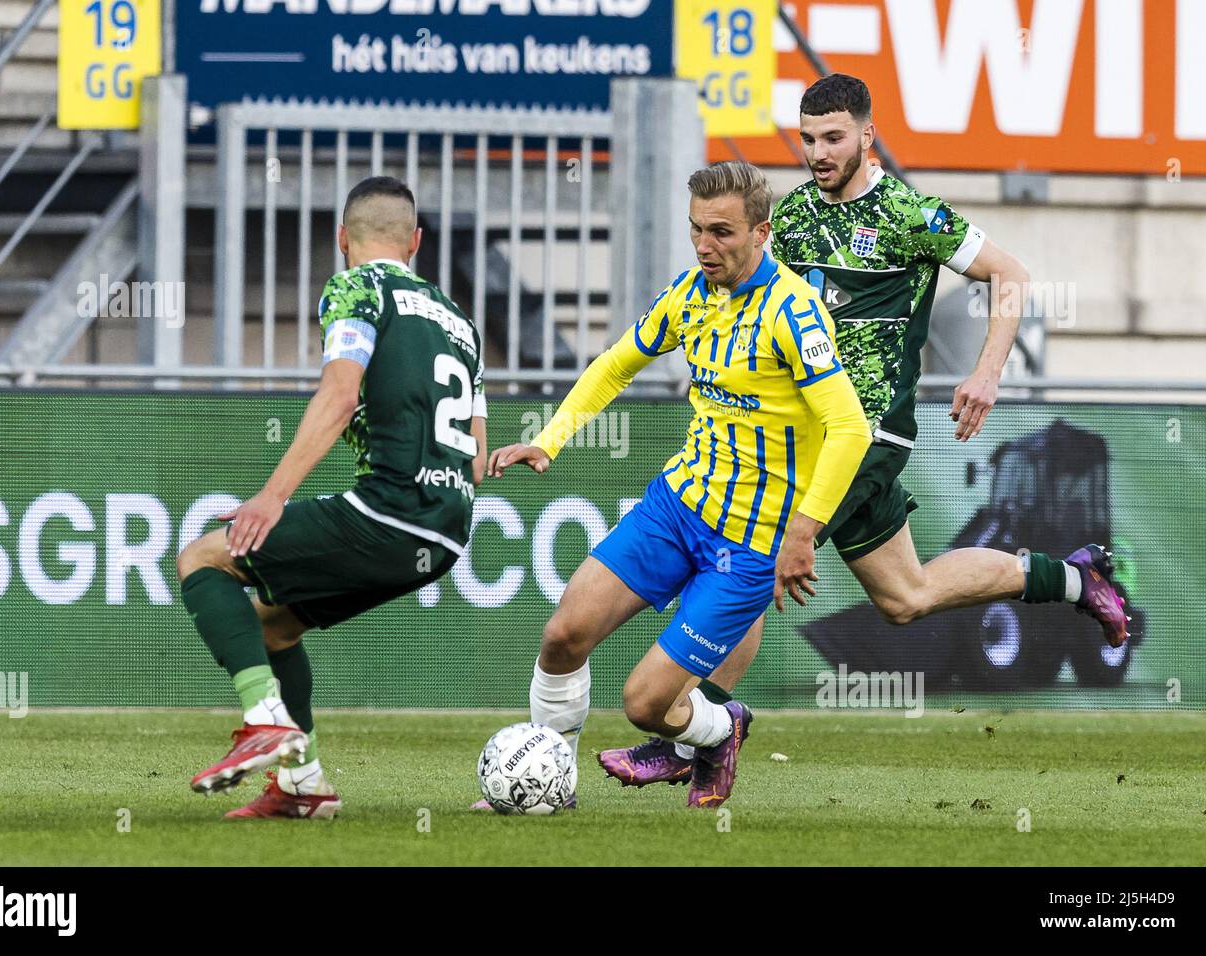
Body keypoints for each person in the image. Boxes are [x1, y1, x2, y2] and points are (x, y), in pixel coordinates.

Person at [597, 74, 1128, 789]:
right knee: (905, 597)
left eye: (833, 137)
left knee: (747, 552)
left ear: (867, 136)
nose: (818, 151)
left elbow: (1010, 274)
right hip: (798, 434)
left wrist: (986, 374)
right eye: (808, 137)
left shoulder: (909, 214)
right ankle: (1073, 577)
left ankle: (694, 737)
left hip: (865, 436)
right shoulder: (787, 219)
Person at [485, 161, 872, 808]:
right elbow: (615, 365)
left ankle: (723, 729)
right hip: (675, 507)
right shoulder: (690, 294)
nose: (703, 246)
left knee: (645, 704)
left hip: (750, 541)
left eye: (720, 232)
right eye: (695, 230)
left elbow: (850, 428)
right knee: (562, 637)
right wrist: (548, 438)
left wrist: (802, 533)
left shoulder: (793, 314)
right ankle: (549, 783)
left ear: (761, 233)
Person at [175, 176, 487, 819]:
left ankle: (264, 721)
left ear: (342, 238)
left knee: (204, 558)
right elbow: (477, 462)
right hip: (449, 533)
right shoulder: (461, 323)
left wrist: (271, 496)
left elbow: (340, 395)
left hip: (391, 513)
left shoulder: (357, 287)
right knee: (272, 626)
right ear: (416, 243)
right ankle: (303, 786)